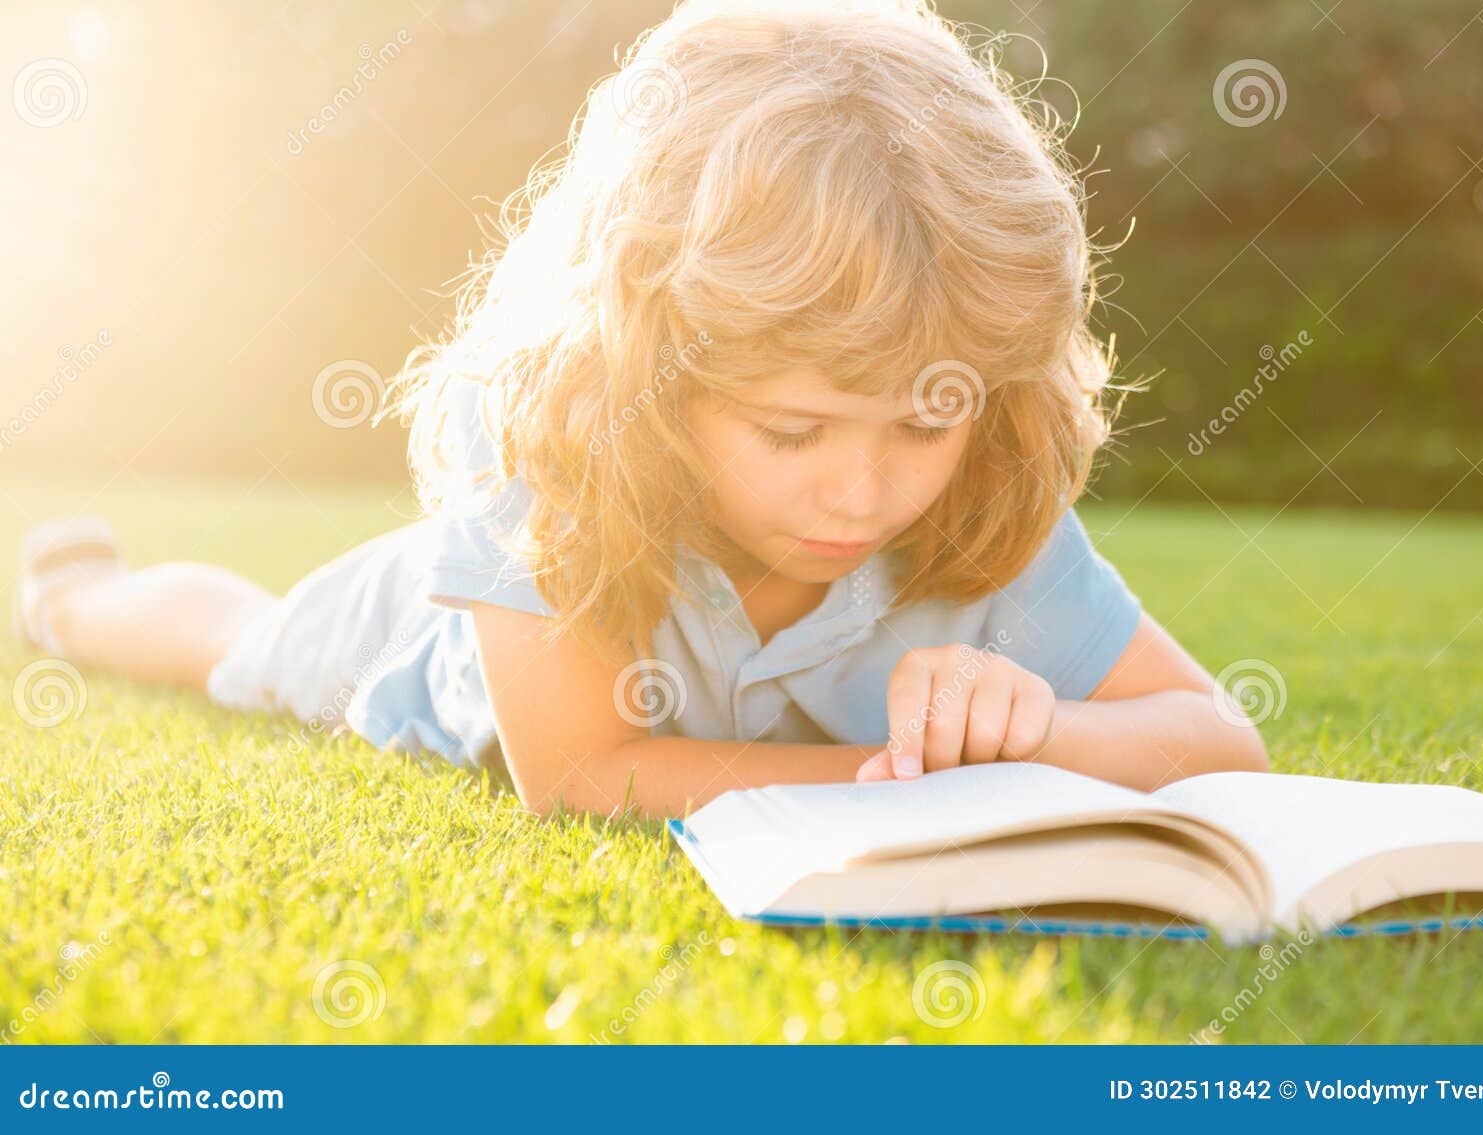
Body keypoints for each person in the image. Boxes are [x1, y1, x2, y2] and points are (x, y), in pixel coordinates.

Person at [13, 0, 1269, 820]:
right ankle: (72, 596)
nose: (861, 492)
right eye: (792, 430)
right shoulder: (544, 442)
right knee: (243, 643)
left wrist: (1042, 732)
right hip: (415, 643)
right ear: (645, 367)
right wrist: (924, 787)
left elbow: (1219, 739)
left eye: (922, 423)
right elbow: (582, 773)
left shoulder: (980, 485)